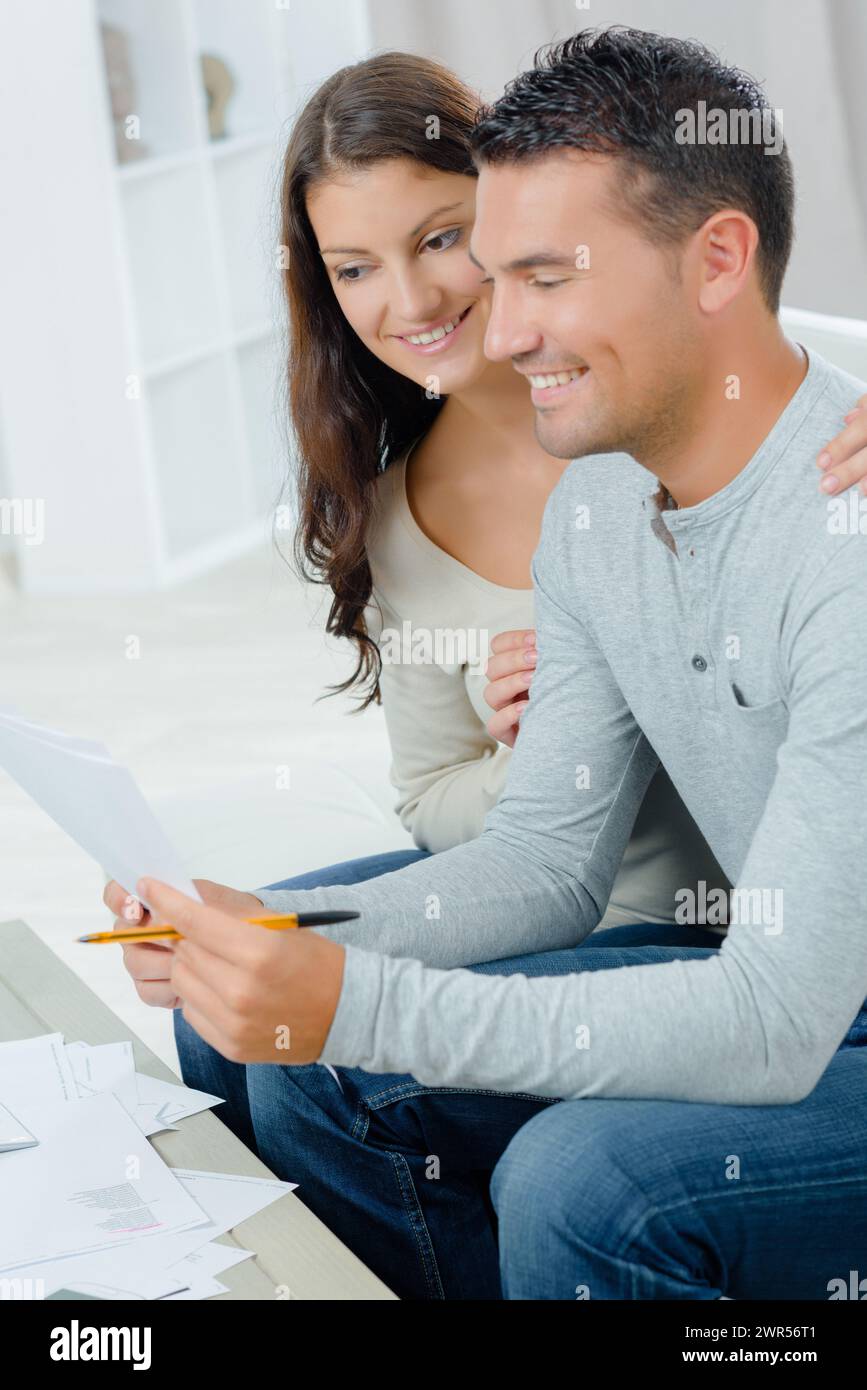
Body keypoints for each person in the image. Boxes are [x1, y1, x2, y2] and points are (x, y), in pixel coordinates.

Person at [107, 28, 867, 1300]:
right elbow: (545, 863)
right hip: (798, 991)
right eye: (496, 275)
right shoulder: (599, 505)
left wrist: (351, 996)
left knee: (583, 1181)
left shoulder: (847, 526)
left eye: (544, 277)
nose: (495, 334)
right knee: (315, 1066)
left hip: (803, 1004)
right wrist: (281, 935)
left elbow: (775, 1017)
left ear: (717, 259)